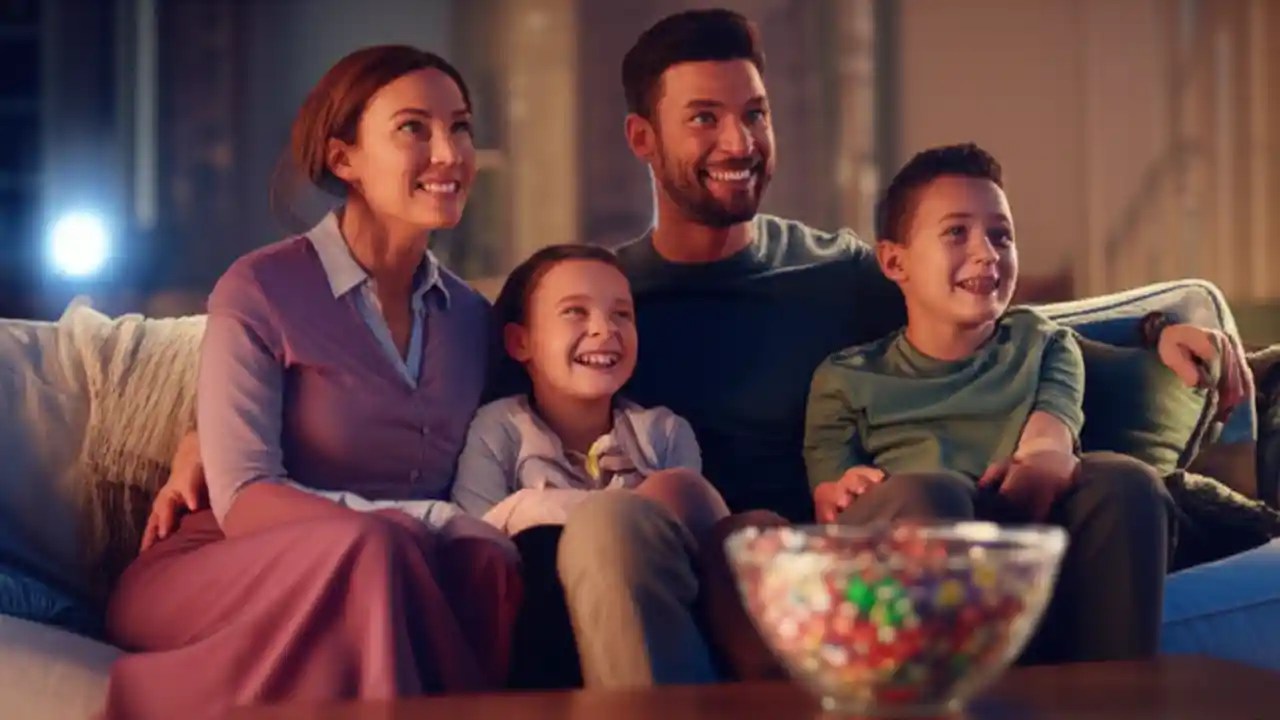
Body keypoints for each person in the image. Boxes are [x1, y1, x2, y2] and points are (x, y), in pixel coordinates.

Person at [549, 7, 1251, 688]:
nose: (740, 142)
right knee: (617, 527)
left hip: (866, 558)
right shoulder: (606, 302)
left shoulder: (836, 272)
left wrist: (1157, 327)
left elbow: (999, 326)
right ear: (641, 138)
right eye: (705, 117)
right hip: (719, 559)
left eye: (755, 114)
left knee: (1045, 488)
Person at [105, 45, 522, 719]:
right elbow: (244, 499)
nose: (449, 153)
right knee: (376, 546)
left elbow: (521, 439)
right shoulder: (262, 287)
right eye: (414, 128)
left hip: (392, 578)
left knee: (482, 561)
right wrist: (416, 524)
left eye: (462, 127)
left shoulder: (473, 320)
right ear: (343, 159)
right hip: (222, 570)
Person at [806, 142, 1172, 664]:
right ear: (894, 260)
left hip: (1028, 512)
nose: (986, 252)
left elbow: (1050, 438)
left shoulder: (1043, 342)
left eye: (1001, 235)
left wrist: (1044, 458)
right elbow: (830, 498)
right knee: (936, 496)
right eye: (957, 232)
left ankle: (1113, 697)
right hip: (919, 536)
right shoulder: (845, 378)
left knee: (1125, 481)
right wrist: (841, 488)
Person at [451, 244, 729, 542]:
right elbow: (477, 544)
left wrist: (531, 508)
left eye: (622, 314)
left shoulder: (664, 434)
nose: (605, 329)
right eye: (574, 311)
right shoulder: (497, 430)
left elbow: (690, 549)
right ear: (520, 341)